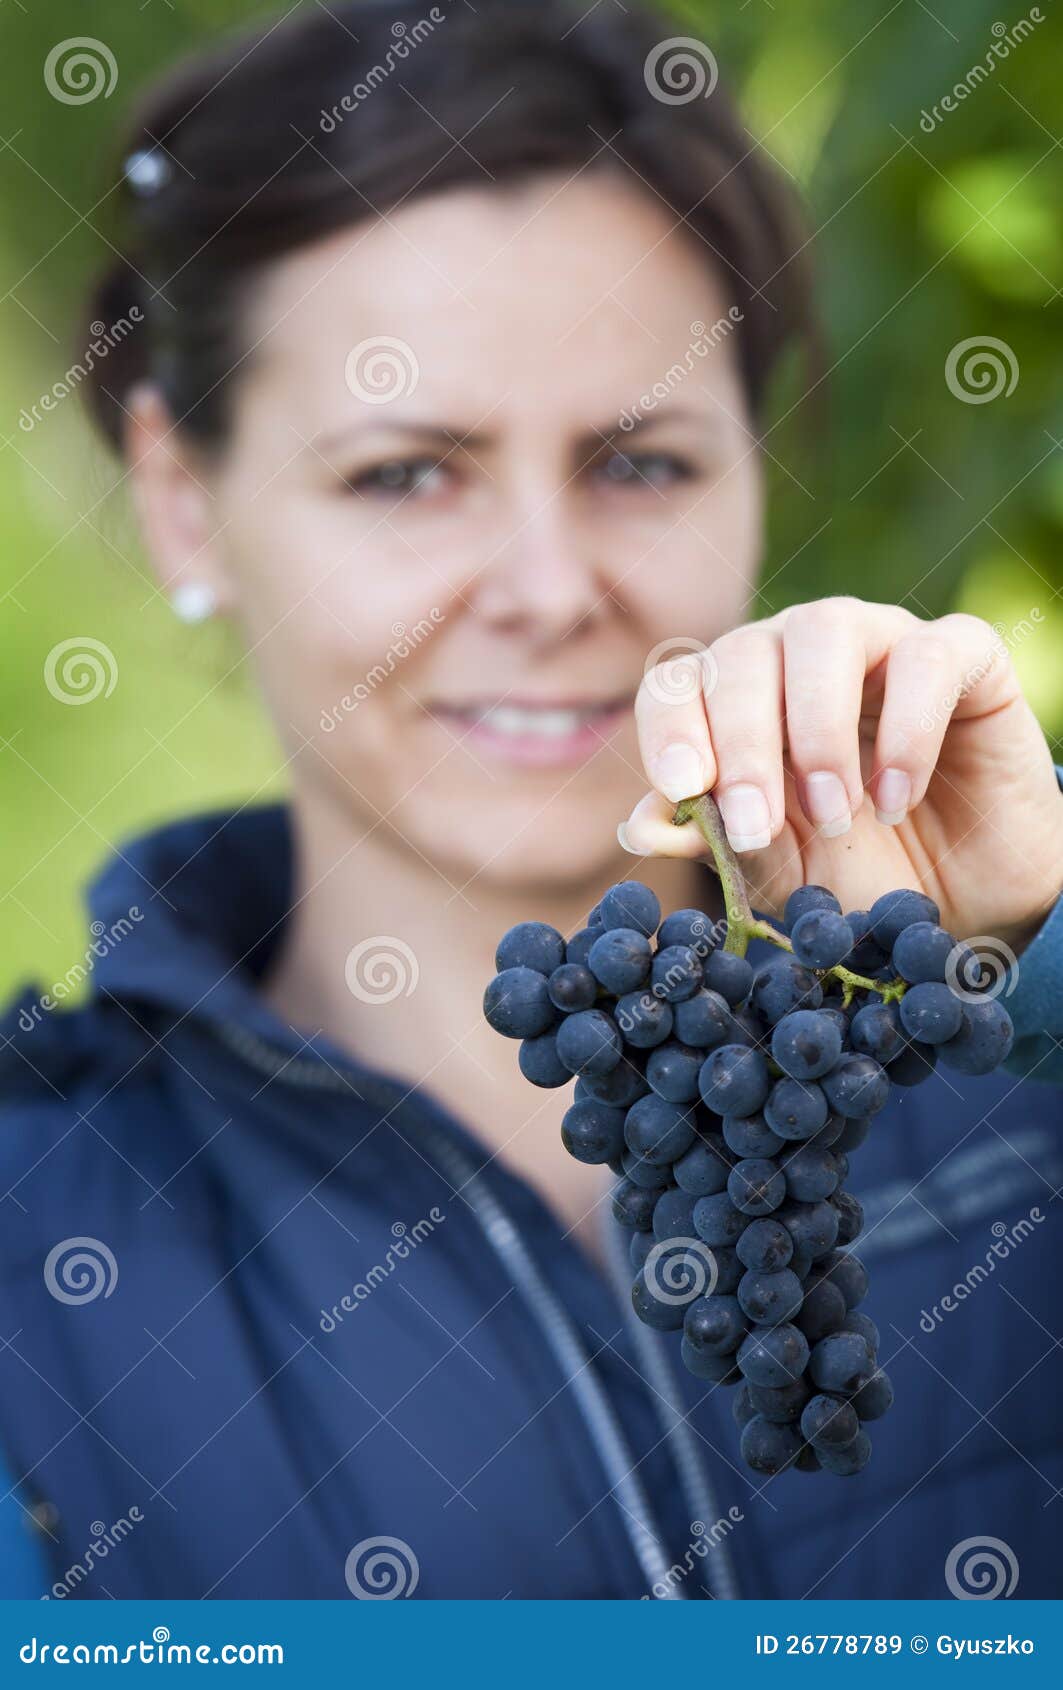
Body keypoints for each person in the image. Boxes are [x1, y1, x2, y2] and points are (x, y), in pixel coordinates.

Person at [1, 0, 1060, 1601]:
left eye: (642, 464)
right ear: (179, 498)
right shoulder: (39, 1266)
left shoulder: (1000, 1010)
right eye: (407, 474)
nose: (552, 589)